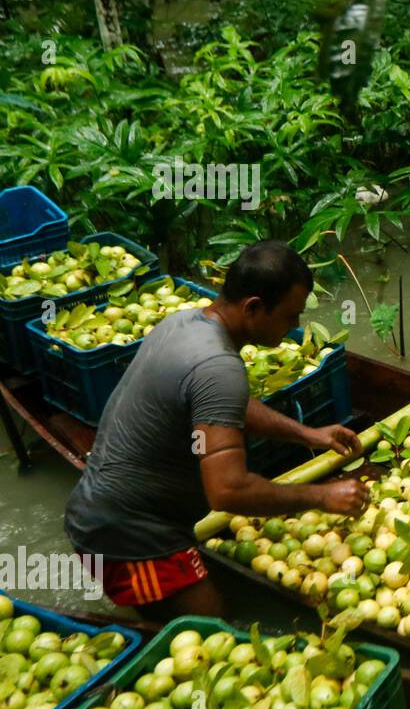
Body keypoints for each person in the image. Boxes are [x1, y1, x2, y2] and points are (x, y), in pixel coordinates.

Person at [65, 241, 367, 620]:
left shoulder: (184, 323)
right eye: (291, 316)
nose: (296, 326)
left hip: (117, 516)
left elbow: (228, 407)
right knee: (209, 631)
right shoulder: (217, 366)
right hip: (129, 536)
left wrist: (310, 435)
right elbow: (227, 490)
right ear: (254, 307)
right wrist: (322, 497)